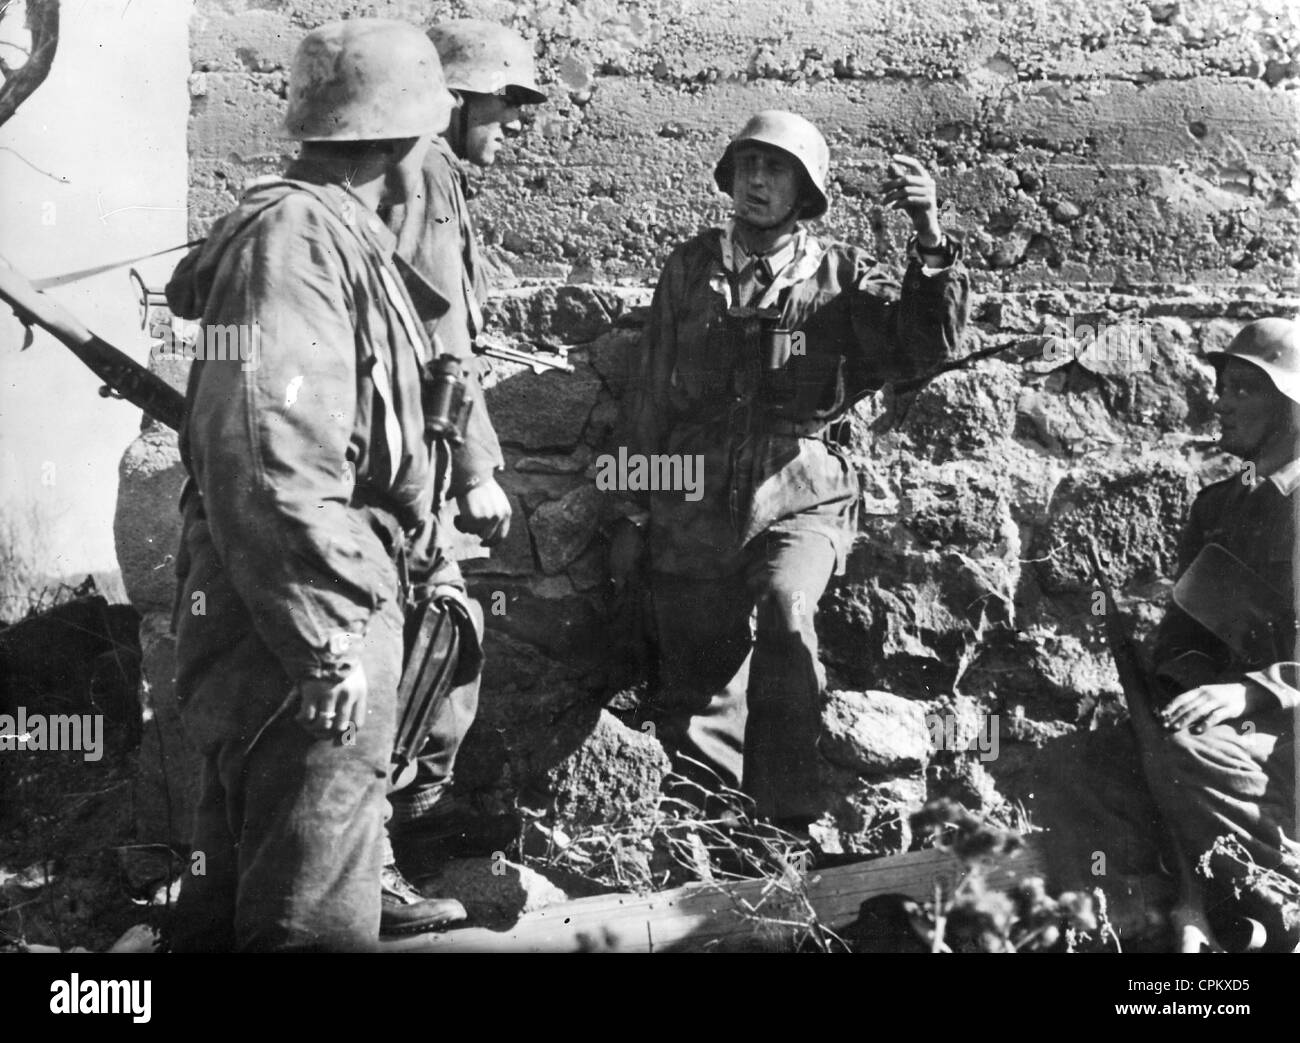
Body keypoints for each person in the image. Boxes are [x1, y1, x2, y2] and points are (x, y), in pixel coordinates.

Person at [164, 19, 454, 952]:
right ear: (404, 139)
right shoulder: (294, 241)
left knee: (255, 879)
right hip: (303, 605)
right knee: (309, 905)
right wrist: (327, 632)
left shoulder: (333, 232)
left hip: (311, 587)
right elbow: (270, 450)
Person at [623, 110, 970, 828]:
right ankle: (710, 828)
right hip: (695, 485)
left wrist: (929, 236)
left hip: (802, 486)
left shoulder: (838, 275)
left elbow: (924, 345)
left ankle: (783, 822)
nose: (757, 180)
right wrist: (628, 504)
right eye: (747, 164)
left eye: (775, 168)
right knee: (699, 646)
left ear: (805, 189)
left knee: (788, 610)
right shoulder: (691, 268)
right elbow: (650, 393)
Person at [1040, 317, 1300, 950]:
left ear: (1292, 405)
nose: (1222, 401)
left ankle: (1284, 885)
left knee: (1191, 757)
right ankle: (1151, 916)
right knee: (1080, 764)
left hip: (1284, 727)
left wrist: (1255, 693)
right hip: (1236, 729)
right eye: (1222, 386)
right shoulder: (1217, 507)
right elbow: (1185, 636)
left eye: (1245, 389)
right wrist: (1175, 685)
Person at [375, 18, 547, 931]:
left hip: (414, 458)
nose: (514, 124)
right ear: (454, 96)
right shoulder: (422, 176)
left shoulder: (429, 176)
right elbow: (442, 344)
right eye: (505, 102)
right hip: (412, 464)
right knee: (427, 640)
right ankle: (372, 864)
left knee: (438, 644)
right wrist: (479, 467)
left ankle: (403, 843)